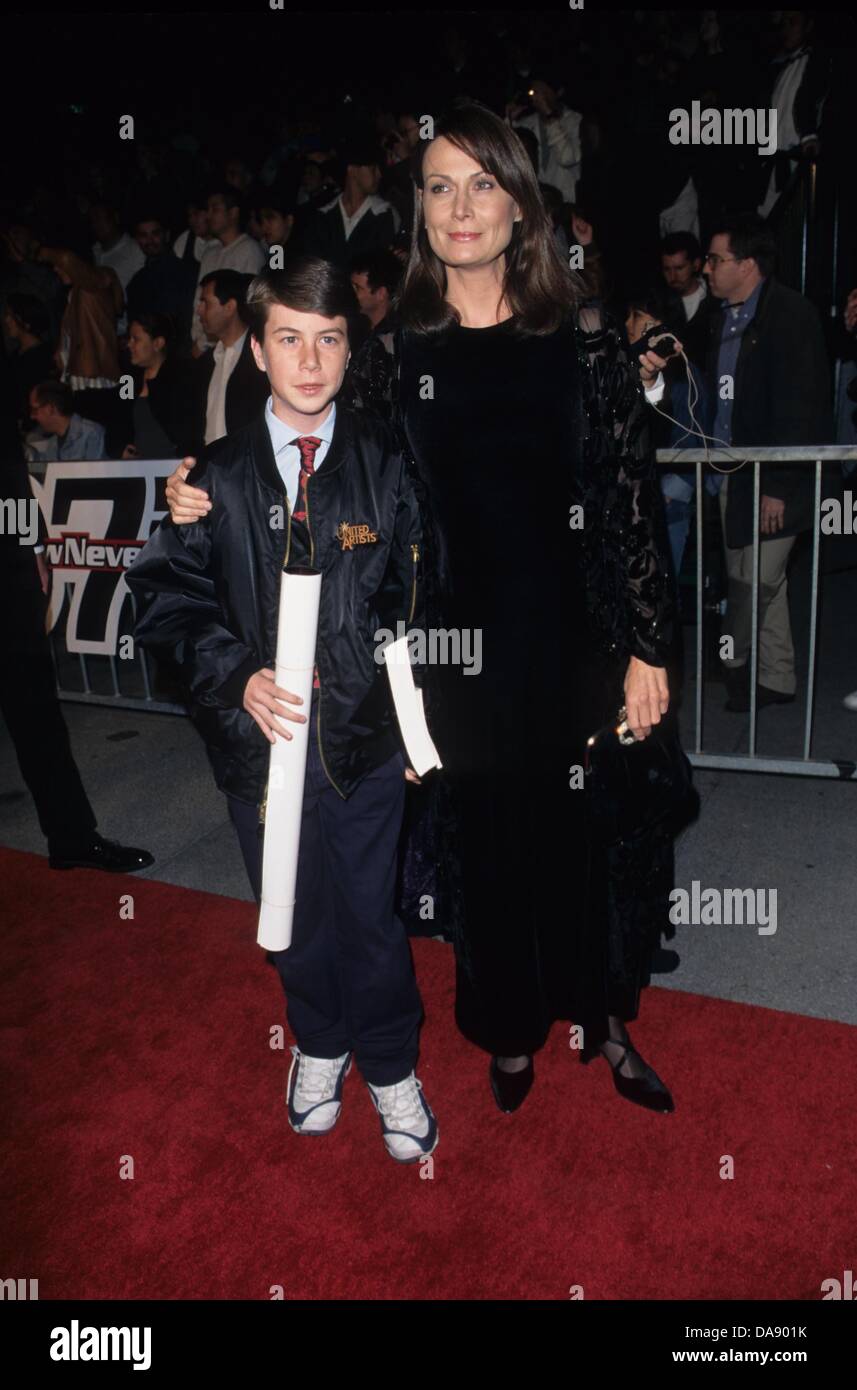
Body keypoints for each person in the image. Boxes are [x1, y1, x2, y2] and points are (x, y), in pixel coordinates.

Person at [166, 103, 686, 1119]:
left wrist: (648, 650)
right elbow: (313, 451)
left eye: (482, 183)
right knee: (489, 852)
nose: (460, 207)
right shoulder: (394, 355)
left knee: (589, 837)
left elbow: (629, 507)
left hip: (579, 644)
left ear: (519, 205)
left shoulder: (583, 340)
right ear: (419, 209)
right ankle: (507, 1030)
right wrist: (207, 483)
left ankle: (602, 1016)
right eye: (439, 185)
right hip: (454, 657)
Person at [125, 258, 438, 1164]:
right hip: (259, 747)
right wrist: (236, 676)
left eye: (329, 340)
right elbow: (167, 606)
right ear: (257, 350)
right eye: (289, 340)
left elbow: (424, 597)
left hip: (364, 742)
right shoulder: (210, 478)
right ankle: (319, 1042)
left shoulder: (385, 461)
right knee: (288, 912)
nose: (310, 361)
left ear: (350, 350)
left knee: (372, 917)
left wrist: (416, 719)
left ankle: (387, 1063)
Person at [0, 364, 154, 875]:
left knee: (38, 716)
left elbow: (10, 471)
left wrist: (35, 546)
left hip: (11, 573)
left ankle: (70, 835)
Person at [701, 214, 833, 711]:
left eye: (716, 259)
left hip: (777, 479)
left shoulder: (790, 314)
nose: (707, 268)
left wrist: (779, 483)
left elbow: (804, 406)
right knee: (764, 582)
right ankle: (778, 679)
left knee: (753, 580)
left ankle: (732, 664)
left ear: (748, 264)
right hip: (734, 477)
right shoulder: (723, 319)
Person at [188, 270, 271, 457]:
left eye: (206, 303)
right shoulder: (205, 363)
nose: (199, 310)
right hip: (211, 467)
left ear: (229, 307)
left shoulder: (261, 357)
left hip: (249, 465)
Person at [301, 141, 401, 270]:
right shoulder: (322, 216)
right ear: (352, 170)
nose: (379, 175)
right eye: (372, 168)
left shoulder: (385, 214)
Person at [190, 188, 266, 355]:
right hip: (203, 346)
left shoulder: (249, 250)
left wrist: (203, 343)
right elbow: (199, 300)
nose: (208, 216)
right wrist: (197, 340)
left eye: (215, 209)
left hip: (233, 347)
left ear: (233, 213)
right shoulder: (209, 252)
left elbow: (247, 306)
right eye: (207, 209)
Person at [119, 313, 191, 460]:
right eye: (129, 339)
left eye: (136, 339)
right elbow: (119, 418)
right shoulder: (129, 380)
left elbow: (185, 432)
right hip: (139, 471)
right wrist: (120, 447)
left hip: (172, 469)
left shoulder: (180, 379)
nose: (129, 344)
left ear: (158, 343)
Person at [27, 380, 106, 462]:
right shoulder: (52, 444)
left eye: (34, 410)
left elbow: (95, 473)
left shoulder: (91, 434)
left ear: (51, 408)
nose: (32, 416)